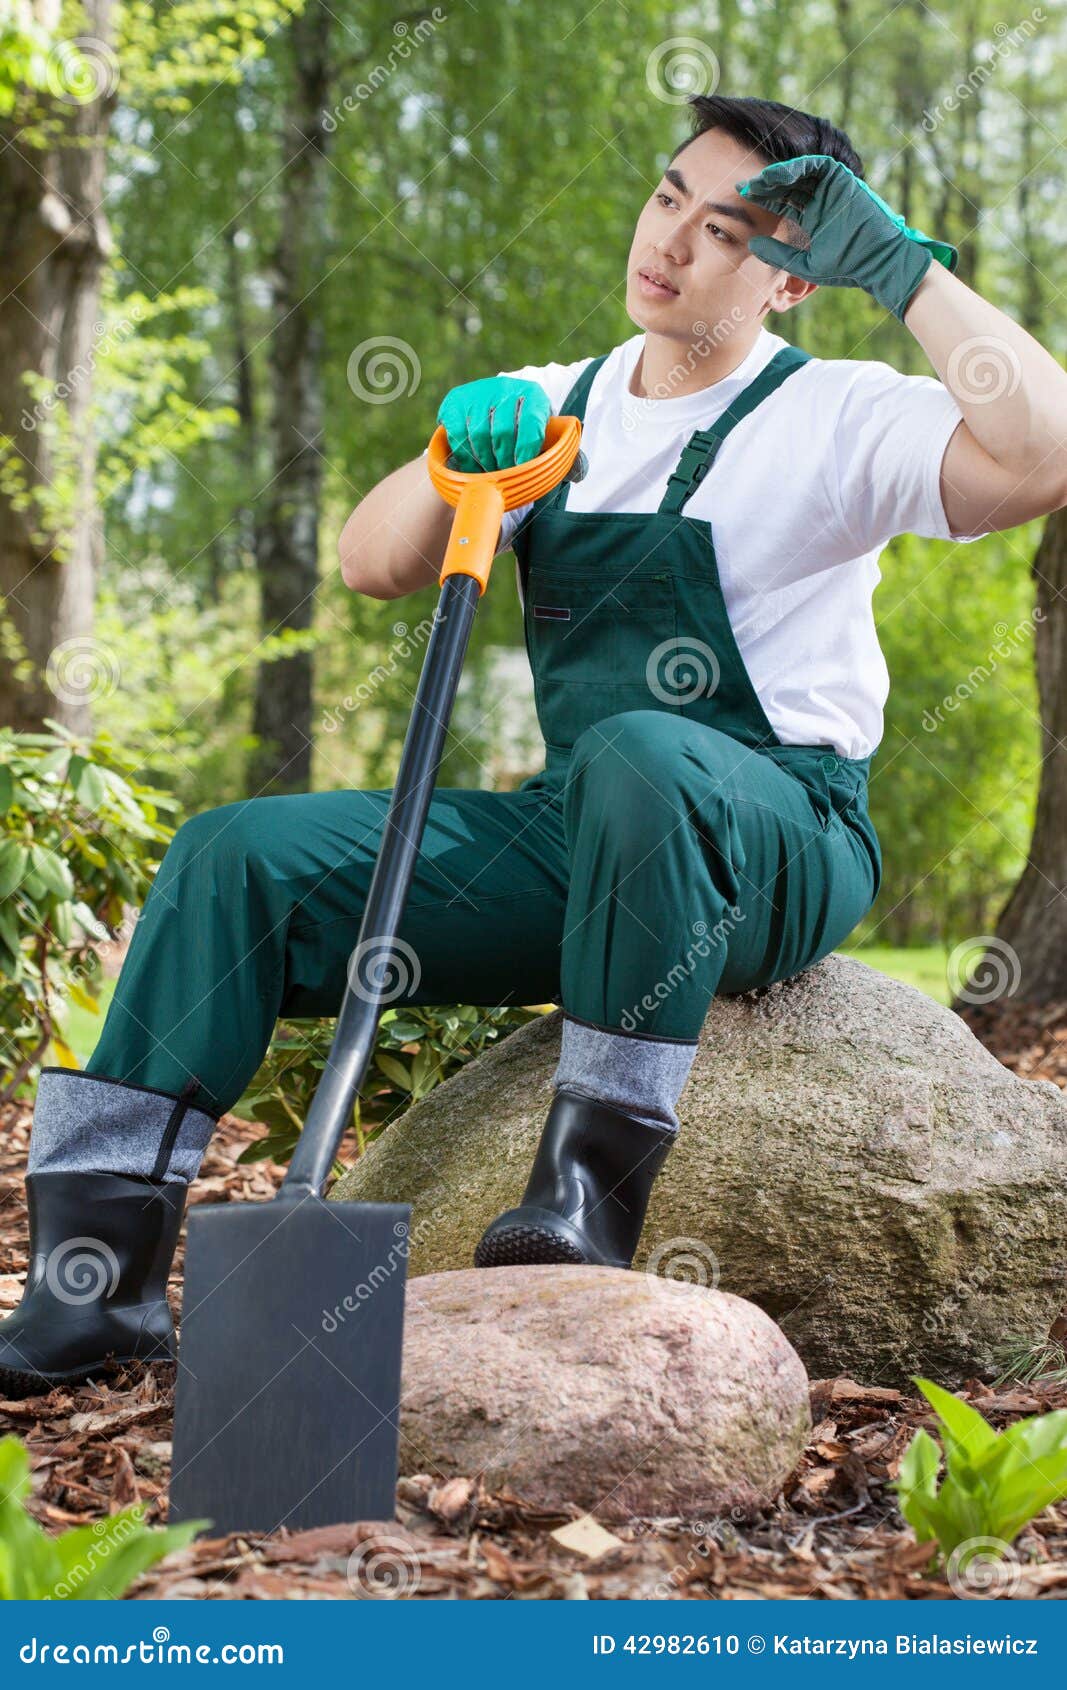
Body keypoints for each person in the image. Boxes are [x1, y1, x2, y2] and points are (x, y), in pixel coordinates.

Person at [2, 95, 1065, 1397]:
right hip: (591, 833)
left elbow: (1046, 452)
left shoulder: (837, 415)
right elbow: (371, 561)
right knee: (237, 859)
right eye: (669, 196)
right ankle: (94, 1285)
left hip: (778, 837)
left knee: (640, 751)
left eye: (726, 230)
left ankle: (583, 1196)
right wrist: (457, 458)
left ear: (792, 275)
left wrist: (906, 270)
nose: (671, 238)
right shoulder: (559, 406)